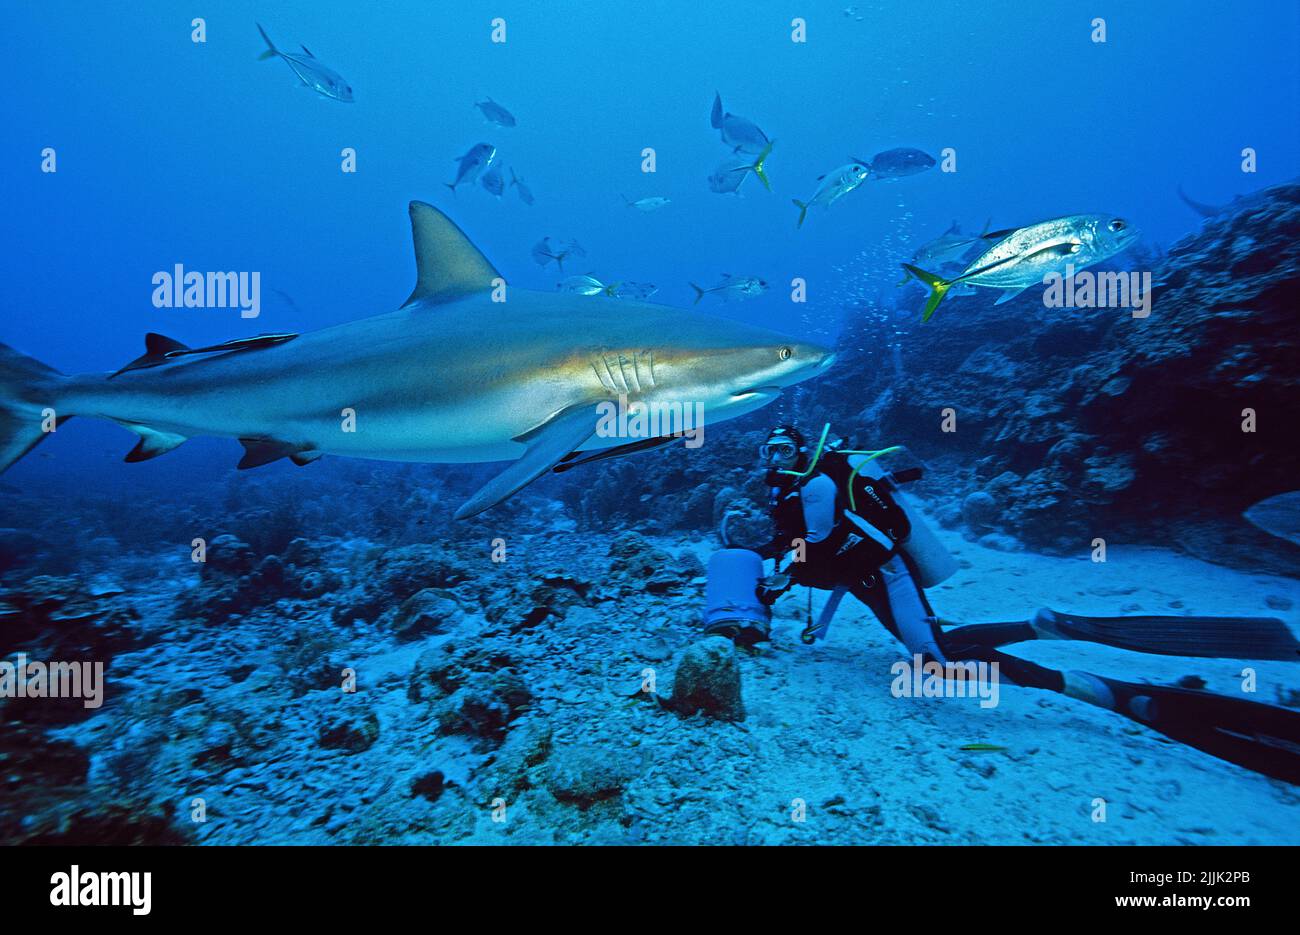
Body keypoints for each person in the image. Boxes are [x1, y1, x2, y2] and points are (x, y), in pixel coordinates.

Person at [705, 421, 1300, 785]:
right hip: (866, 578)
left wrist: (786, 576)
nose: (776, 460)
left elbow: (829, 542)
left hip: (884, 574)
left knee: (935, 659)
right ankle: (1039, 625)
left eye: (784, 448)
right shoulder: (792, 490)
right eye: (770, 453)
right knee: (941, 643)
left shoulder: (816, 482)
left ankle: (1081, 682)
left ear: (801, 448)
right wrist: (771, 569)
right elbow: (804, 548)